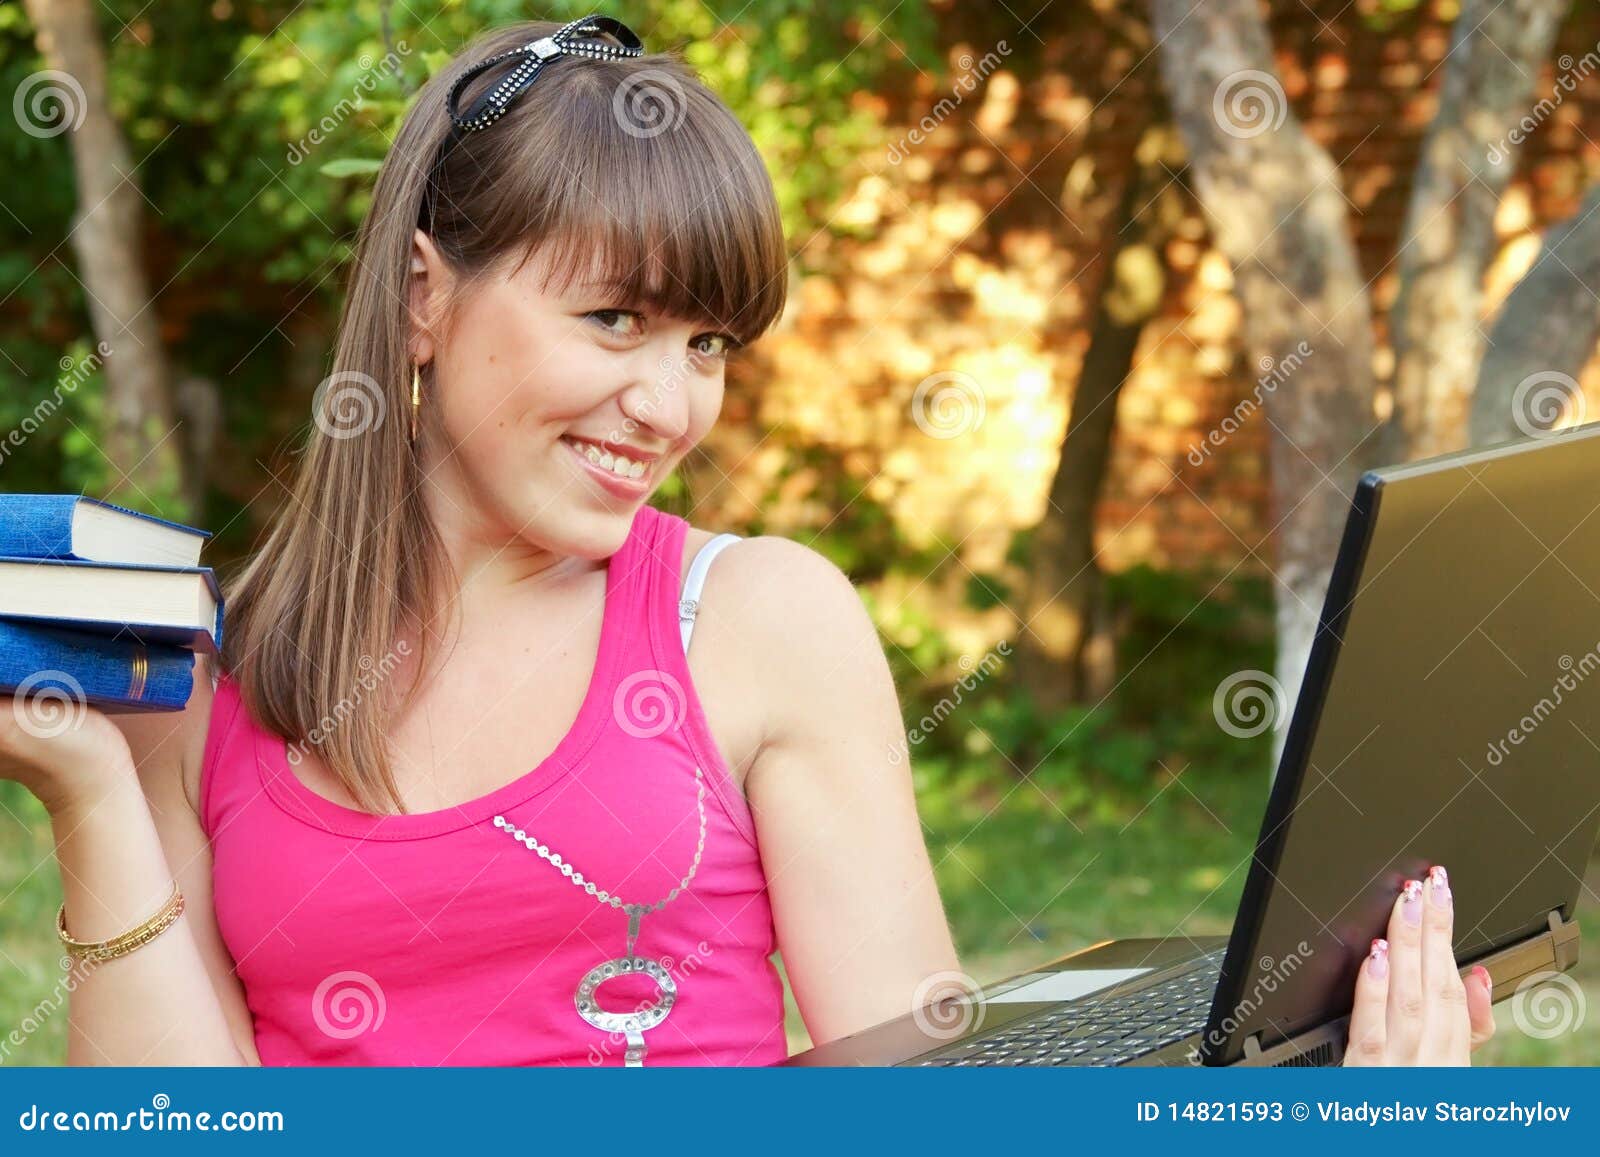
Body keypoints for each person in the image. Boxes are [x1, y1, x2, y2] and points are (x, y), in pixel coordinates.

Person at [0, 16, 1492, 1068]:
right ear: (421, 299)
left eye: (710, 340)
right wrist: (89, 791)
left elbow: (927, 1103)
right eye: (615, 319)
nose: (670, 402)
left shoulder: (761, 620)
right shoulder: (225, 668)